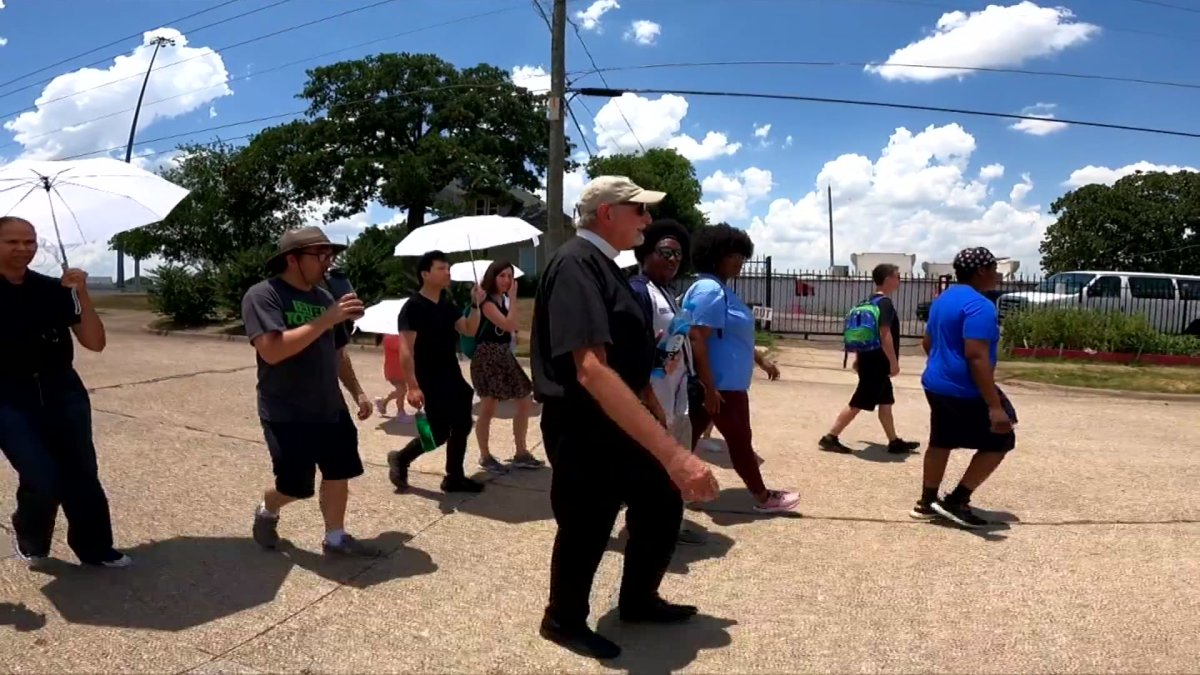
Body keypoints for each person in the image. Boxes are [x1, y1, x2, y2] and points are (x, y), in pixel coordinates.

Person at [531, 176, 719, 660]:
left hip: (621, 417)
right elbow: (591, 369)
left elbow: (623, 354)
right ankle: (562, 619)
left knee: (660, 502)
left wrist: (649, 401)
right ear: (607, 213)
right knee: (587, 525)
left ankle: (638, 600)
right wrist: (675, 454)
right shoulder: (576, 264)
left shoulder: (607, 267)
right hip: (584, 425)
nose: (648, 221)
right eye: (640, 210)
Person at [242, 226, 381, 558]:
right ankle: (267, 509)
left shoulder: (325, 298)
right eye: (320, 255)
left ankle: (335, 537)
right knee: (295, 486)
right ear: (292, 259)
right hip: (286, 409)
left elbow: (337, 353)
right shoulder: (263, 295)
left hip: (329, 406)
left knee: (339, 471)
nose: (328, 262)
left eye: (330, 254)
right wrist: (326, 319)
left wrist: (358, 392)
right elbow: (272, 350)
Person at [0, 216, 130, 569]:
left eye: (29, 241)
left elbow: (95, 342)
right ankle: (30, 533)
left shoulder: (52, 289)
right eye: (12, 242)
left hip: (63, 391)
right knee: (41, 476)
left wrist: (80, 292)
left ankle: (95, 548)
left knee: (81, 471)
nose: (23, 248)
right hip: (9, 397)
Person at [685, 223, 800, 514]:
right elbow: (697, 337)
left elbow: (735, 337)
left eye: (742, 256)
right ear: (715, 256)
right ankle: (763, 497)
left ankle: (672, 492)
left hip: (722, 384)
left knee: (685, 441)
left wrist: (761, 361)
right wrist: (709, 387)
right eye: (733, 255)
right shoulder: (710, 289)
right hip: (719, 387)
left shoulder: (721, 290)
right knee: (739, 442)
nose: (740, 262)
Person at [911, 247, 1015, 529]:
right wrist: (994, 406)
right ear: (981, 271)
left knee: (941, 440)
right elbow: (976, 356)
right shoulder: (980, 306)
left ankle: (927, 502)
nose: (997, 275)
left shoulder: (942, 300)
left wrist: (944, 364)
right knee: (1001, 440)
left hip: (936, 382)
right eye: (994, 269)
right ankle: (957, 500)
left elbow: (927, 343)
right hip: (964, 387)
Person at [628, 219, 706, 546]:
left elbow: (672, 343)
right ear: (646, 252)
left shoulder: (668, 294)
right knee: (651, 466)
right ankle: (644, 528)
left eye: (678, 254)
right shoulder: (638, 290)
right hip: (653, 398)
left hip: (676, 395)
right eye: (666, 252)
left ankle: (670, 522)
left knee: (672, 463)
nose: (673, 260)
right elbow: (631, 347)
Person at [387, 251, 487, 494]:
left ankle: (454, 477)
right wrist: (412, 386)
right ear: (425, 274)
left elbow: (469, 329)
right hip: (428, 378)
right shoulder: (413, 307)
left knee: (462, 423)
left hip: (451, 375)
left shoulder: (446, 304)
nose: (447, 272)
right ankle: (401, 457)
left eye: (448, 268)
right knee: (438, 433)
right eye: (441, 268)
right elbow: (406, 349)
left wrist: (476, 305)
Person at [819, 263, 921, 454]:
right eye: (897, 276)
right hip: (878, 362)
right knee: (859, 401)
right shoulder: (885, 304)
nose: (899, 280)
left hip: (868, 359)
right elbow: (884, 334)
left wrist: (859, 358)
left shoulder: (866, 302)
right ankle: (830, 437)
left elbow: (863, 334)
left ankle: (894, 441)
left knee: (886, 401)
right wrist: (894, 363)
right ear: (888, 279)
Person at [470, 260, 543, 474]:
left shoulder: (501, 300)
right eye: (502, 275)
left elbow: (513, 328)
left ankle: (521, 452)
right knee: (488, 406)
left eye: (510, 276)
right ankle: (485, 455)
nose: (507, 280)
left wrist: (510, 300)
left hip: (503, 354)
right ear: (492, 277)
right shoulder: (486, 302)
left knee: (524, 399)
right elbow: (509, 325)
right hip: (487, 356)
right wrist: (513, 297)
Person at [375, 334, 413, 422]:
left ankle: (400, 412)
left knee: (402, 391)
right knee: (401, 390)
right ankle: (384, 402)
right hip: (393, 370)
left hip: (401, 370)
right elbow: (402, 347)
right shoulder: (389, 337)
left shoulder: (397, 336)